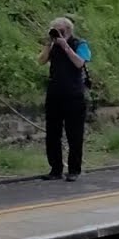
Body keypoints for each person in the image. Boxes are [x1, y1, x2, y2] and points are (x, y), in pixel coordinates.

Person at [37, 17, 91, 182]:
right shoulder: (52, 45)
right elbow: (41, 61)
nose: (57, 33)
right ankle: (55, 169)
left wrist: (65, 45)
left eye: (59, 30)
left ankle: (74, 169)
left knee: (74, 133)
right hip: (54, 93)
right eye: (54, 30)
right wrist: (49, 43)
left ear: (68, 30)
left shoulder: (80, 44)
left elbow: (79, 62)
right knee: (52, 133)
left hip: (74, 94)